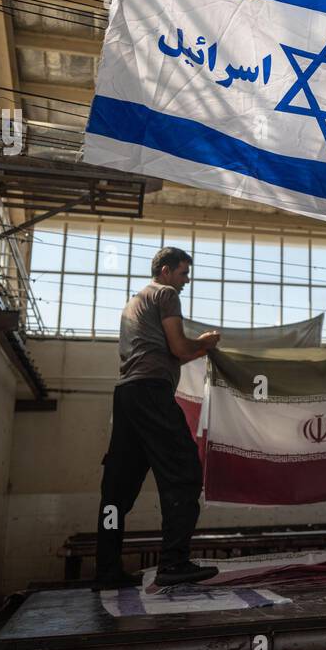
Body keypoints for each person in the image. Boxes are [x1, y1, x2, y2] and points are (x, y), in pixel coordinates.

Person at [93, 247, 222, 590]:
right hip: (151, 392)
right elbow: (180, 349)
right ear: (165, 271)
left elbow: (167, 355)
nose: (187, 281)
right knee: (184, 472)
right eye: (183, 273)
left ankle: (106, 570)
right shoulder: (165, 294)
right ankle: (174, 563)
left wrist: (195, 350)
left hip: (127, 395)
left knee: (117, 490)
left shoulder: (134, 302)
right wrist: (205, 343)